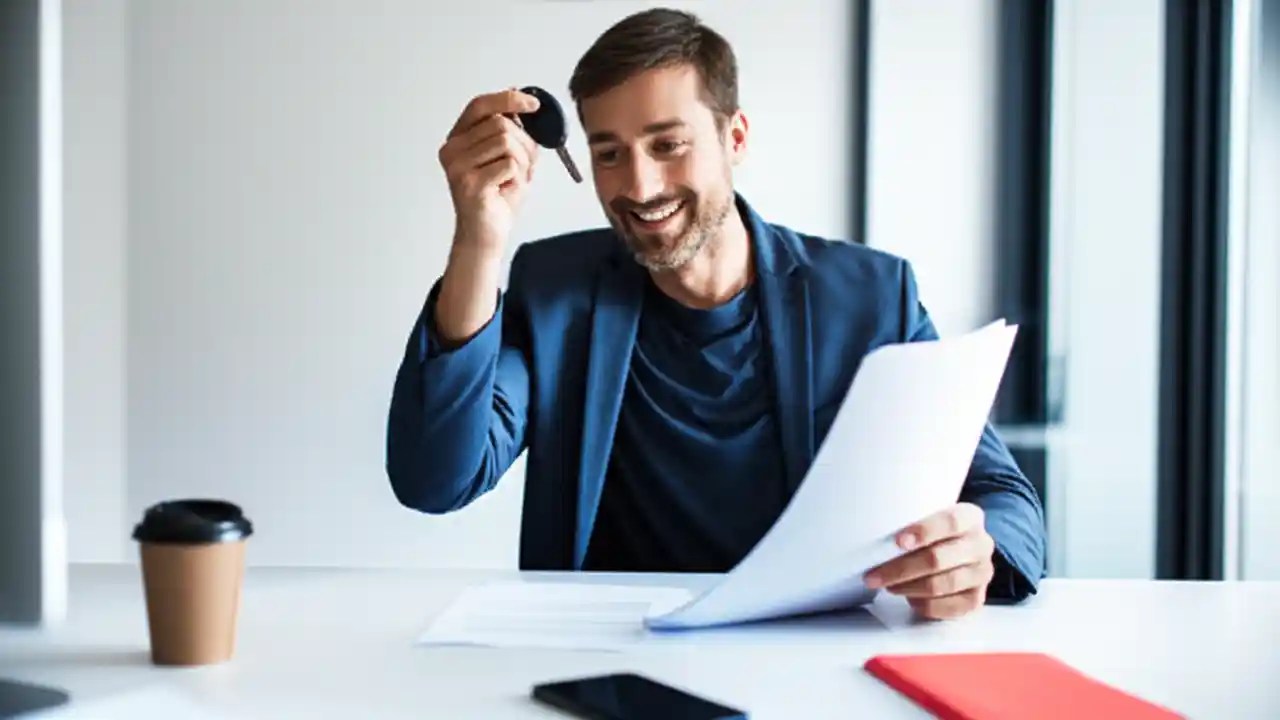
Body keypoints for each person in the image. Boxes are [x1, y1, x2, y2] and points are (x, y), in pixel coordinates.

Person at [385, 7, 1045, 620]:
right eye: (609, 153)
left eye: (667, 145)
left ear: (735, 138)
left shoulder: (870, 296)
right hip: (607, 659)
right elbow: (436, 477)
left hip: (809, 655)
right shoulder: (555, 288)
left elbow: (1005, 498)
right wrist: (480, 235)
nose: (639, 187)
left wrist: (975, 552)